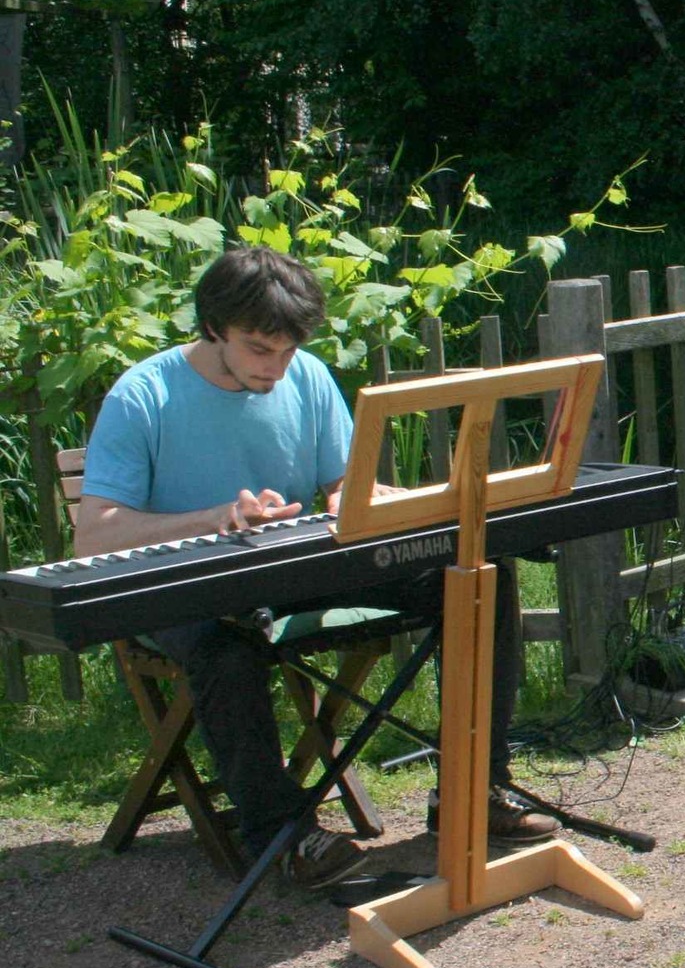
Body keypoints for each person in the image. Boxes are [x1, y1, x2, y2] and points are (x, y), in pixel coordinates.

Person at [75, 245, 558, 889]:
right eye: (257, 349)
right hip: (187, 590)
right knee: (224, 647)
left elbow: (340, 486)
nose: (275, 367)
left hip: (299, 569)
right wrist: (217, 518)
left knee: (477, 578)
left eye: (286, 350)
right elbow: (93, 535)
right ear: (213, 326)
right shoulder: (145, 393)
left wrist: (364, 498)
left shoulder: (304, 373)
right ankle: (282, 835)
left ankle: (474, 790)